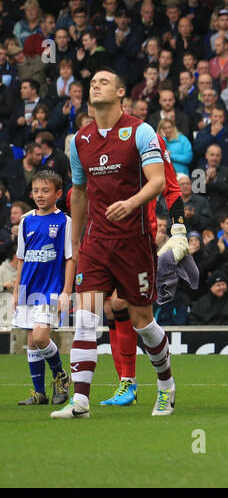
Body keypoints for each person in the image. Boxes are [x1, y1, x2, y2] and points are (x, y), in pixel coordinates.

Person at [55, 70, 174, 419]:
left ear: (121, 92)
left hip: (133, 242)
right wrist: (75, 241)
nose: (95, 84)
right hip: (95, 242)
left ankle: (166, 387)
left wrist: (132, 203)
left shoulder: (141, 131)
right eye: (92, 82)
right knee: (86, 319)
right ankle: (80, 402)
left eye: (104, 81)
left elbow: (158, 181)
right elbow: (78, 193)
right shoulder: (80, 140)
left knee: (141, 321)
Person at [13, 170, 72, 406]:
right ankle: (39, 393)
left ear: (58, 193)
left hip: (50, 288)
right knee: (31, 339)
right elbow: (21, 257)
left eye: (45, 190)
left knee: (40, 336)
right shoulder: (27, 220)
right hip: (28, 286)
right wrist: (17, 289)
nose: (40, 195)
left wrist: (67, 291)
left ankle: (60, 376)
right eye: (36, 190)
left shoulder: (64, 221)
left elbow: (69, 258)